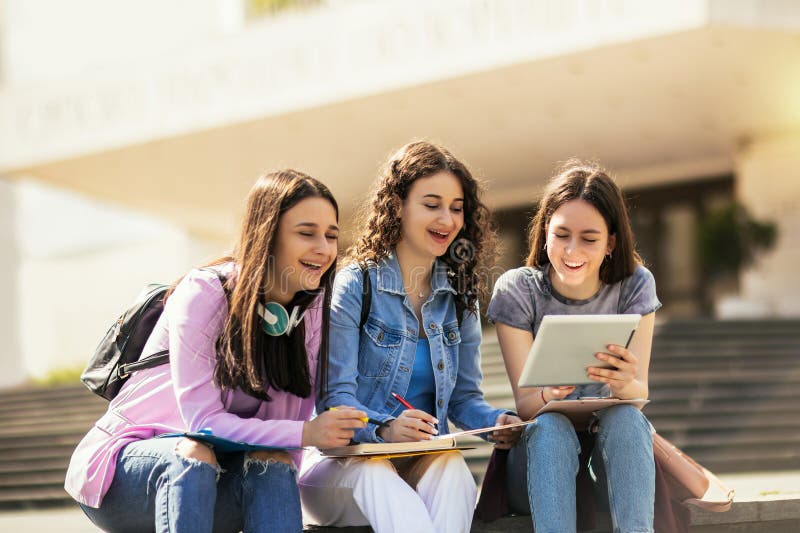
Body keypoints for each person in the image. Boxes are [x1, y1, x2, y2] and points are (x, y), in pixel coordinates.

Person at [65, 170, 368, 533]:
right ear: (268, 235)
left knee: (273, 462)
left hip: (222, 478)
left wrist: (385, 426)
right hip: (126, 473)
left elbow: (297, 429)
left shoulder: (312, 309)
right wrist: (307, 432)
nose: (323, 248)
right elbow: (202, 423)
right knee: (195, 453)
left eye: (331, 236)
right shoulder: (205, 292)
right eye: (306, 233)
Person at [299, 141, 521, 533]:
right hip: (344, 470)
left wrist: (495, 422)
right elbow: (336, 400)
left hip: (418, 463)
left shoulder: (458, 296)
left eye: (456, 207)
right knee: (378, 476)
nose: (447, 219)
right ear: (398, 206)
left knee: (452, 467)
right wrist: (385, 428)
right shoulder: (356, 285)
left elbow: (464, 400)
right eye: (432, 204)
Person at [486, 159, 661, 533]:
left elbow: (639, 394)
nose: (572, 250)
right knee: (550, 427)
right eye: (562, 234)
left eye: (589, 238)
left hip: (610, 458)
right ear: (545, 232)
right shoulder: (518, 290)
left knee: (629, 418)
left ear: (611, 242)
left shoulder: (634, 285)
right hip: (539, 461)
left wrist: (624, 383)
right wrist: (548, 393)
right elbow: (526, 404)